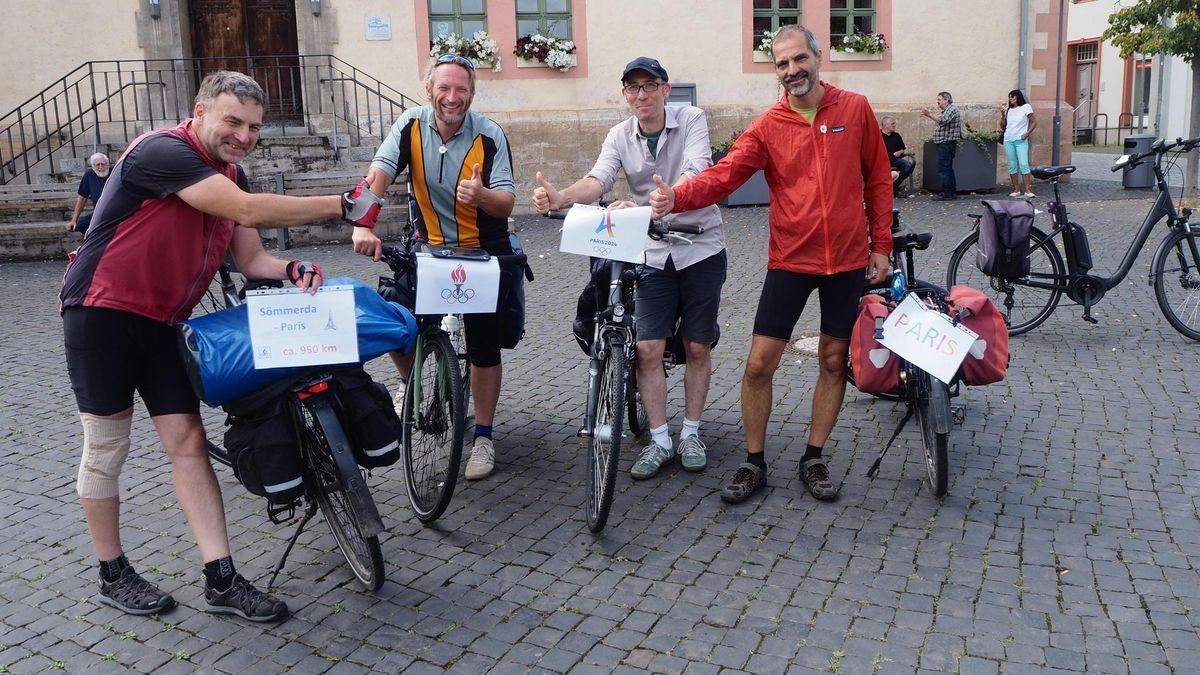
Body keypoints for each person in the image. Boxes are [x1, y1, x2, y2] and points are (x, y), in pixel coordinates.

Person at [58, 70, 382, 622]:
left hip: (164, 320)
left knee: (185, 439)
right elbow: (248, 210)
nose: (244, 135)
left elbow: (251, 257)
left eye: (254, 126)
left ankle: (222, 578)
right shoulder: (162, 152)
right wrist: (342, 204)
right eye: (233, 121)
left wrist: (293, 267)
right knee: (107, 446)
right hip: (102, 314)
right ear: (200, 110)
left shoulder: (231, 171)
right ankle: (112, 572)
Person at [648, 25, 893, 504]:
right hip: (791, 259)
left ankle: (813, 456)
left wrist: (879, 245)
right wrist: (677, 196)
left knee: (831, 360)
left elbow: (878, 180)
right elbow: (724, 175)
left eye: (799, 59)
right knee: (760, 364)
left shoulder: (855, 109)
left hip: (846, 260)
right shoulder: (769, 125)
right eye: (782, 64)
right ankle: (753, 461)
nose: (792, 71)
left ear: (818, 58)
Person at [531, 57, 727, 480]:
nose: (642, 95)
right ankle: (659, 439)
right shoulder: (619, 134)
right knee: (647, 348)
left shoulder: (691, 118)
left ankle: (690, 433)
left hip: (700, 245)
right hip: (652, 252)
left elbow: (698, 169)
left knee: (696, 345)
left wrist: (659, 199)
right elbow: (599, 179)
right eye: (633, 88)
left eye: (649, 85)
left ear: (665, 88)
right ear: (625, 94)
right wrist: (563, 195)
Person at [353, 53, 519, 481]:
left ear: (472, 94)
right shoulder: (410, 125)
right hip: (428, 246)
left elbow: (506, 202)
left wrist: (481, 195)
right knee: (394, 318)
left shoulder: (489, 134)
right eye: (444, 88)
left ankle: (483, 436)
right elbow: (379, 175)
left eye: (461, 89)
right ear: (429, 90)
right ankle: (413, 384)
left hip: (481, 250)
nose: (452, 97)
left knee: (484, 347)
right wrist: (363, 224)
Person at [922, 91, 962, 201]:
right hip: (945, 143)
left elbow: (943, 121)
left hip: (947, 143)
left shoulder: (952, 109)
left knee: (944, 168)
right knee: (947, 168)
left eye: (939, 100)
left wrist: (929, 114)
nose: (938, 102)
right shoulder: (947, 110)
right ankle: (950, 192)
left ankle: (947, 193)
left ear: (946, 99)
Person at [1001, 89, 1038, 198]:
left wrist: (1027, 133)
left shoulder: (1025, 107)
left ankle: (1027, 190)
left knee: (1023, 164)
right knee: (1012, 165)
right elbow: (1003, 126)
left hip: (1020, 140)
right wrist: (1003, 115)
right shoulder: (1008, 110)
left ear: (1018, 97)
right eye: (1009, 97)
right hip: (1008, 139)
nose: (1011, 99)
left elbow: (1034, 121)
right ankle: (1016, 189)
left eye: (1013, 96)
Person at [66, 153, 110, 236]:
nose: (101, 167)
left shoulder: (115, 172)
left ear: (108, 164)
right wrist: (74, 220)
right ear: (93, 166)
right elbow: (82, 198)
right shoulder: (89, 175)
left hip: (117, 213)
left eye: (103, 164)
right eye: (97, 165)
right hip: (99, 214)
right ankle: (98, 241)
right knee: (81, 224)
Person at [880, 116, 914, 196]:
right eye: (892, 124)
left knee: (909, 165)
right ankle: (893, 189)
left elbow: (902, 148)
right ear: (886, 125)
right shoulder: (878, 135)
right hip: (882, 159)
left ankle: (893, 186)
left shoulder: (896, 135)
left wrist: (899, 152)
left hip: (895, 159)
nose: (894, 125)